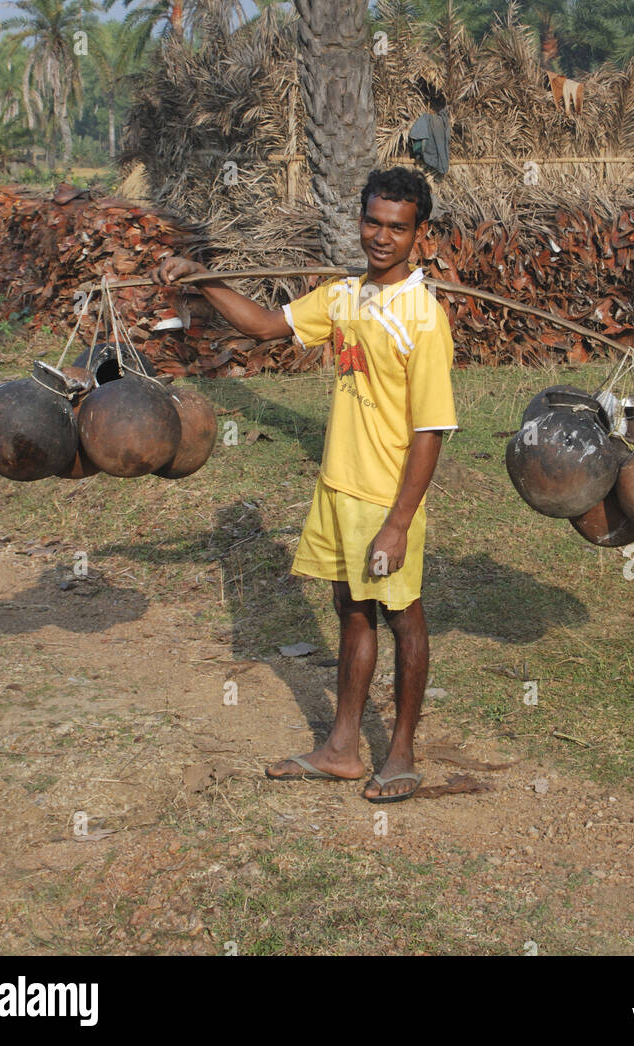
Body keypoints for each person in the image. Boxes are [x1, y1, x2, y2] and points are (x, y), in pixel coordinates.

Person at [152, 166, 458, 803]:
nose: (381, 236)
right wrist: (203, 280)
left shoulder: (424, 319)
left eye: (397, 228)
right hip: (340, 486)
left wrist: (399, 521)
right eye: (372, 221)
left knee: (403, 615)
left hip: (386, 497)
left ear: (419, 234)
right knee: (352, 613)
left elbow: (430, 431)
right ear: (361, 220)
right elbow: (266, 326)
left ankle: (399, 753)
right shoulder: (346, 297)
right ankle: (343, 749)